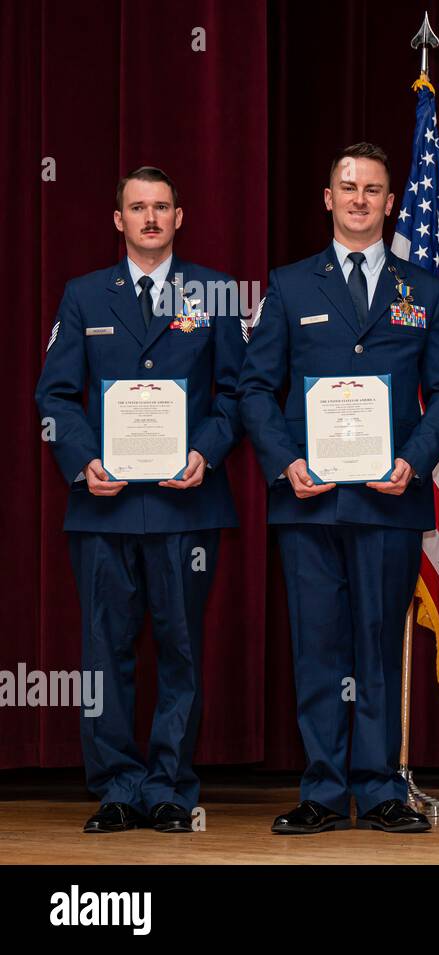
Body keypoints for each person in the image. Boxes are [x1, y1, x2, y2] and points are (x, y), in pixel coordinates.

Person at [238, 143, 439, 834]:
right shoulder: (290, 284)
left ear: (392, 203)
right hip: (308, 499)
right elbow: (253, 386)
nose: (360, 198)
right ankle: (325, 790)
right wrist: (284, 461)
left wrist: (416, 460)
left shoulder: (423, 288)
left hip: (389, 498)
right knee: (318, 647)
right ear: (327, 198)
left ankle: (381, 784)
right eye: (348, 187)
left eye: (373, 189)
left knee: (377, 644)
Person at [35, 166, 244, 834]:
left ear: (180, 216)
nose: (150, 217)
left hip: (188, 503)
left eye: (161, 206)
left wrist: (206, 451)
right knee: (105, 652)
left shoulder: (215, 292)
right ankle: (117, 786)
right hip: (103, 504)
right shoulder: (83, 296)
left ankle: (170, 787)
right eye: (137, 207)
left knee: (182, 650)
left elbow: (240, 393)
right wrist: (82, 459)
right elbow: (55, 396)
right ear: (117, 219)